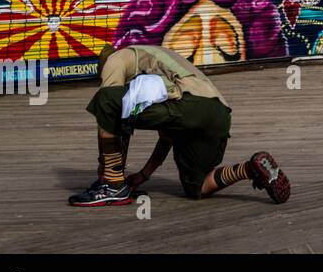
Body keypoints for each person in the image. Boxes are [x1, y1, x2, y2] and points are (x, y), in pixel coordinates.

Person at [69, 43, 291, 208]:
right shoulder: (156, 62)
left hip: (190, 103)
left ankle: (112, 186)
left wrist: (108, 172)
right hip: (218, 115)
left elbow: (112, 111)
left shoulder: (115, 58)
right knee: (197, 187)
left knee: (106, 100)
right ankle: (250, 168)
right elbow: (167, 136)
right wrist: (144, 175)